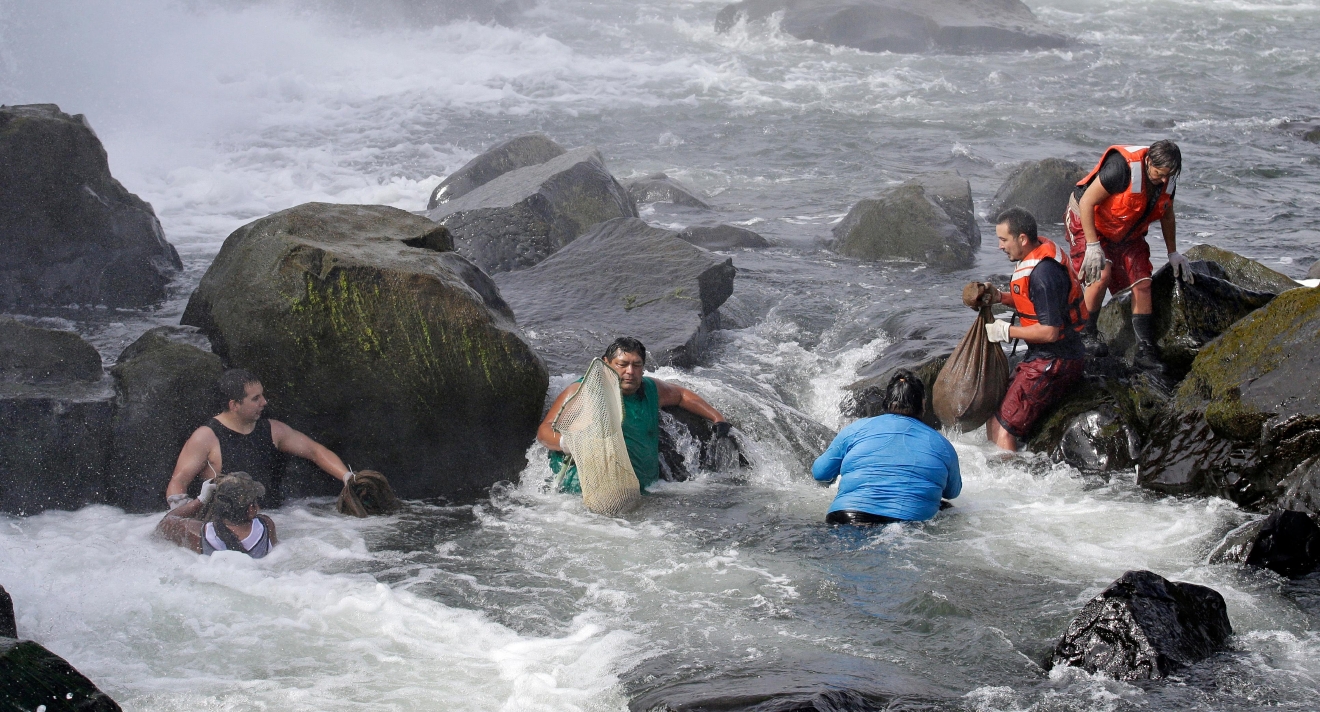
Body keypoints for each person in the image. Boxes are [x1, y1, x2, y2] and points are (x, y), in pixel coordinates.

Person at [538, 337, 730, 494]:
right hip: (587, 493)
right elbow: (545, 431)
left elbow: (681, 395)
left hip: (647, 491)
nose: (630, 372)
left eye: (637, 365)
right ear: (606, 364)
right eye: (622, 364)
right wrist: (571, 443)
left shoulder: (650, 390)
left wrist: (717, 418)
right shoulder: (583, 391)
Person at [1066, 139, 1190, 368]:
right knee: (1102, 273)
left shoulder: (1168, 179)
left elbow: (1167, 214)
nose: (1164, 180)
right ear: (1148, 161)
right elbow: (1086, 202)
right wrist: (1093, 246)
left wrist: (1173, 253)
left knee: (1143, 282)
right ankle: (1086, 334)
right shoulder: (1121, 168)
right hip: (1089, 220)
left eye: (1168, 175)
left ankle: (1144, 348)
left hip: (1126, 228)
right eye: (1159, 173)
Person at [164, 369, 353, 511]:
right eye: (256, 398)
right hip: (227, 524)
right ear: (234, 404)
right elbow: (178, 481)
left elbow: (315, 451)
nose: (264, 402)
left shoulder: (274, 430)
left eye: (262, 395)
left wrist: (348, 478)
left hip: (277, 518)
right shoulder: (206, 437)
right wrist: (183, 511)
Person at [978, 207, 1087, 451]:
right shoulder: (1037, 258)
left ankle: (1007, 480)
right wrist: (1000, 297)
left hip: (1056, 360)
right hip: (1045, 356)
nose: (1000, 246)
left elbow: (1049, 331)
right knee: (993, 412)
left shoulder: (1043, 274)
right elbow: (1036, 304)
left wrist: (1007, 331)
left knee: (1003, 428)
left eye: (1004, 239)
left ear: (1023, 239)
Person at [812, 370, 960, 524]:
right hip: (908, 526)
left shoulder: (855, 429)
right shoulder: (943, 444)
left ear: (886, 400)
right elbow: (952, 492)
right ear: (923, 404)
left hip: (846, 516)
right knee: (948, 508)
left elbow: (820, 473)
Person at [156, 472, 278, 558]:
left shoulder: (197, 533)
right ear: (251, 509)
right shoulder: (266, 526)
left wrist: (200, 500)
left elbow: (164, 524)